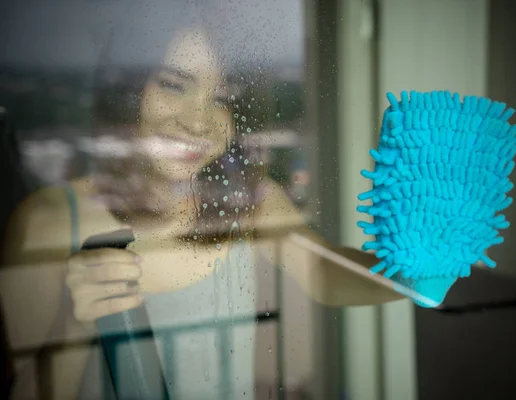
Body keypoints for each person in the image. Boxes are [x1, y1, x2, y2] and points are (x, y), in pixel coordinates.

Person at [0, 3, 405, 399]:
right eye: (173, 84)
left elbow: (325, 275)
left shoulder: (250, 201)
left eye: (222, 98)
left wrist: (424, 268)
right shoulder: (49, 222)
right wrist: (74, 324)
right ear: (124, 88)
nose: (198, 121)